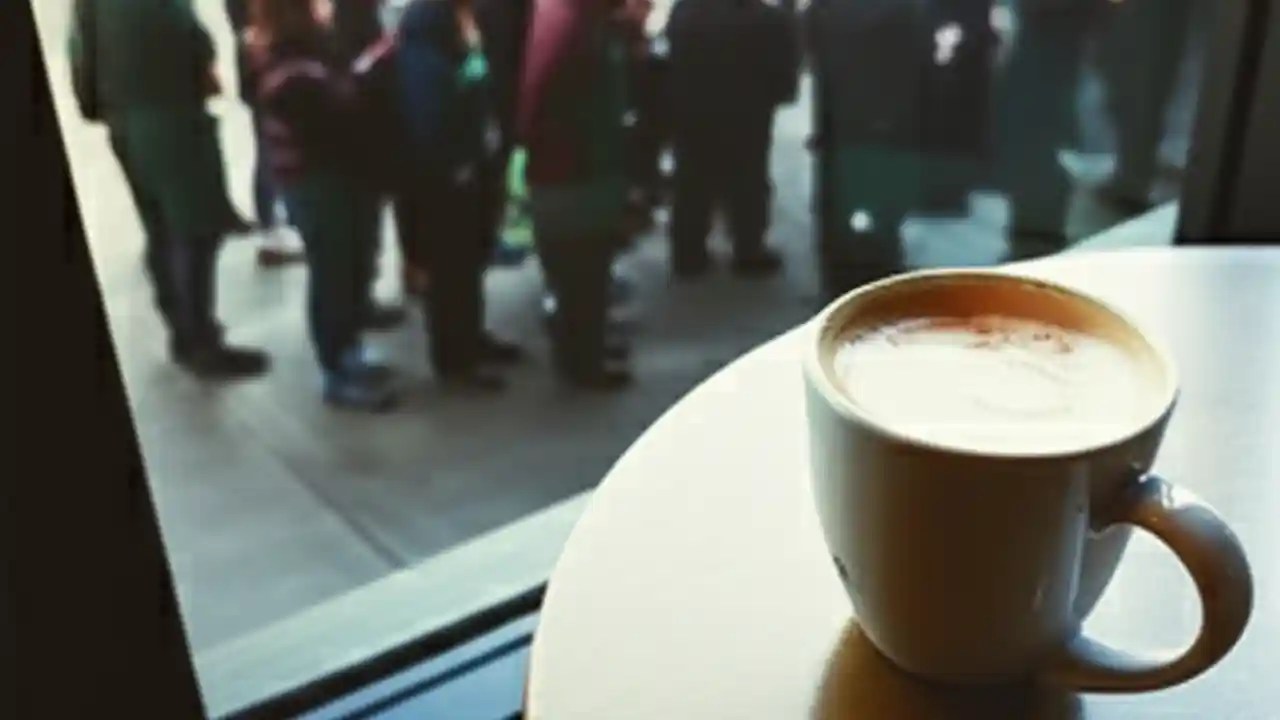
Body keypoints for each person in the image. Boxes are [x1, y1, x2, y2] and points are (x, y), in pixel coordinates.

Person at [69, 0, 270, 379]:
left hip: (125, 120)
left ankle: (181, 333)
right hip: (172, 117)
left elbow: (80, 54)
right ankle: (202, 343)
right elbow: (193, 41)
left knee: (160, 228)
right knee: (195, 232)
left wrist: (103, 108)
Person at [251, 0, 399, 410]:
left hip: (341, 180)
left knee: (351, 267)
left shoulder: (313, 48)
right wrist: (367, 83)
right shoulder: (289, 66)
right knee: (333, 273)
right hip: (319, 185)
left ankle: (350, 349)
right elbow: (332, 124)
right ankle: (337, 369)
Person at [394, 0, 524, 391]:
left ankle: (471, 337)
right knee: (451, 269)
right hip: (445, 179)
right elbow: (431, 111)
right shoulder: (427, 34)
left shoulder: (455, 27)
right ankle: (454, 359)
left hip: (469, 170)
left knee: (469, 264)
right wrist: (458, 164)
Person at [519, 0, 637, 389]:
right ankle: (583, 362)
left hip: (578, 169)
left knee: (584, 271)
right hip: (575, 173)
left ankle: (586, 349)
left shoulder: (575, 17)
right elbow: (540, 97)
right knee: (581, 271)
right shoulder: (569, 21)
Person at [665, 0, 798, 279]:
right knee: (748, 179)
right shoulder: (765, 18)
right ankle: (748, 248)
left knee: (692, 180)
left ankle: (688, 251)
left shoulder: (686, 12)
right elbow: (784, 71)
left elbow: (671, 63)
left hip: (693, 112)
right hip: (748, 113)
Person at [227, 0, 308, 266]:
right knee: (273, 149)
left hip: (261, 56)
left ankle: (275, 225)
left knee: (271, 147)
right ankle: (275, 228)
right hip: (267, 55)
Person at [1096, 0, 1196, 213]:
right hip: (1148, 20)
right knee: (1139, 92)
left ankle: (1133, 178)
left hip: (1143, 19)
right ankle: (1134, 173)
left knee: (1137, 92)